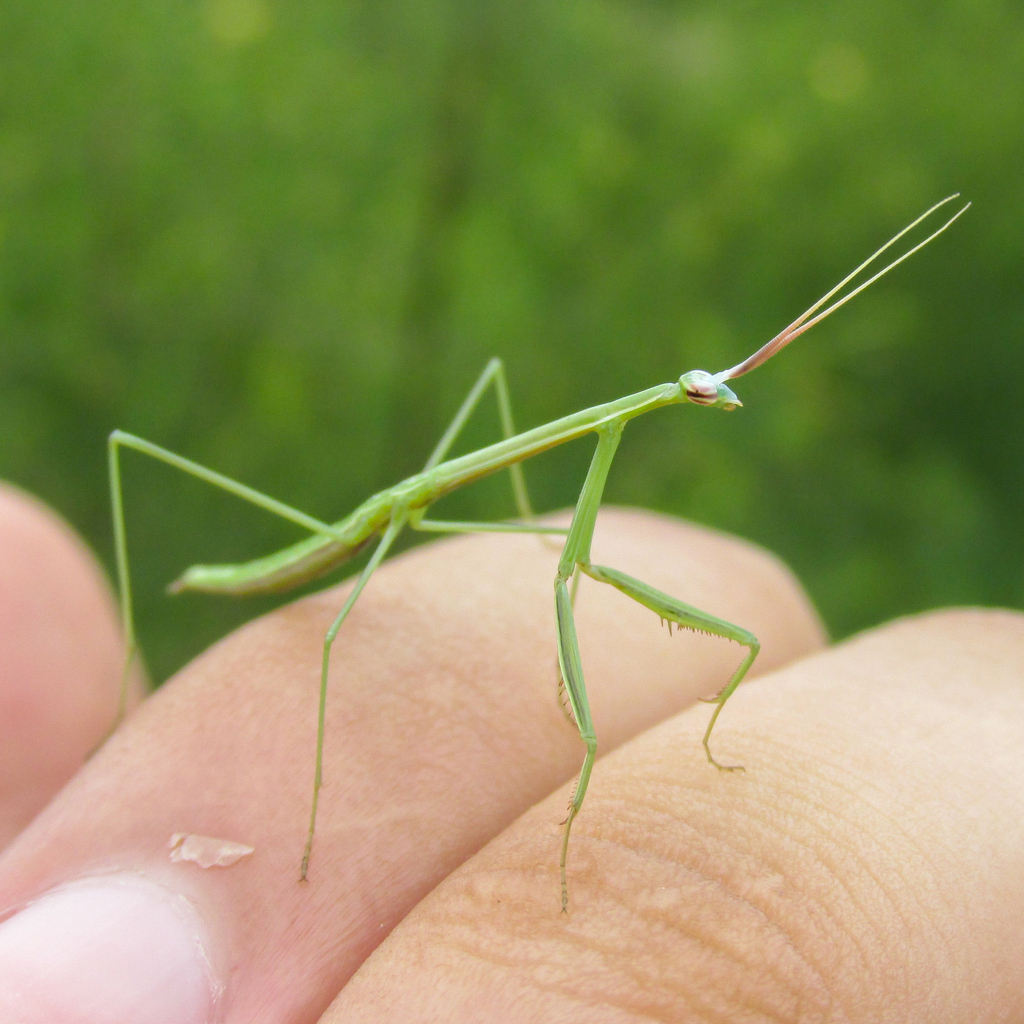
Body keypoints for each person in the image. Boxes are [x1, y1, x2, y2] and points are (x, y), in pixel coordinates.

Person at [0, 481, 1020, 1023]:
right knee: (324, 643)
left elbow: (565, 572)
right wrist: (311, 825)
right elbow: (333, 651)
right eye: (709, 390)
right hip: (315, 547)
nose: (717, 397)